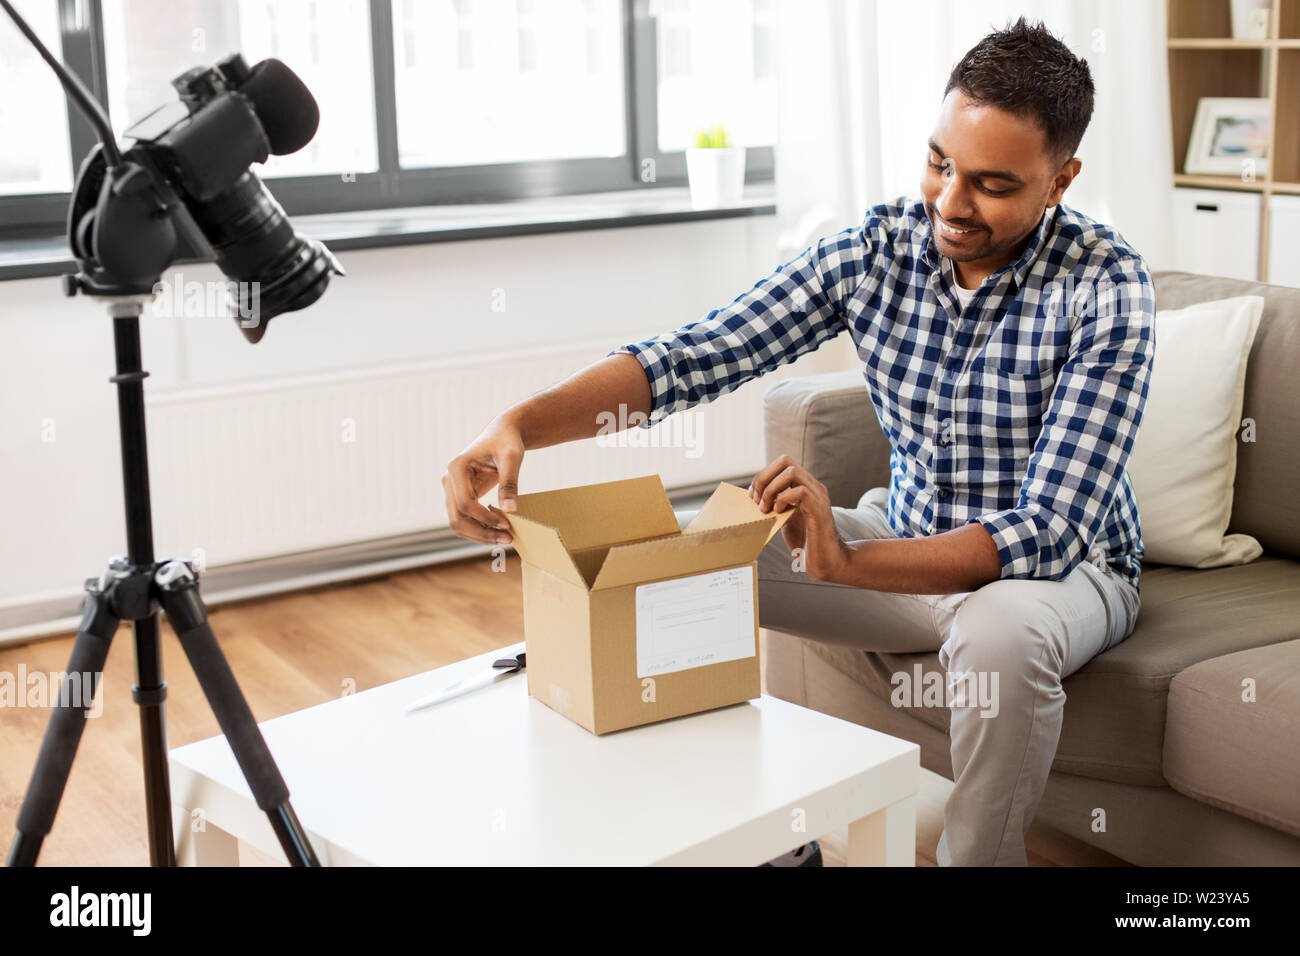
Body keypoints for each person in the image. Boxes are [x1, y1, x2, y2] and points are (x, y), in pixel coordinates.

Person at [442, 16, 1153, 866]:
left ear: (1060, 180)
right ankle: (747, 837)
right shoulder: (877, 249)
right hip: (905, 538)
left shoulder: (1106, 285)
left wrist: (851, 567)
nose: (951, 204)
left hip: (1062, 578)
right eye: (939, 164)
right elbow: (696, 356)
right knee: (655, 570)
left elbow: (1049, 530)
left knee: (1000, 632)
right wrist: (517, 426)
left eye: (993, 185)